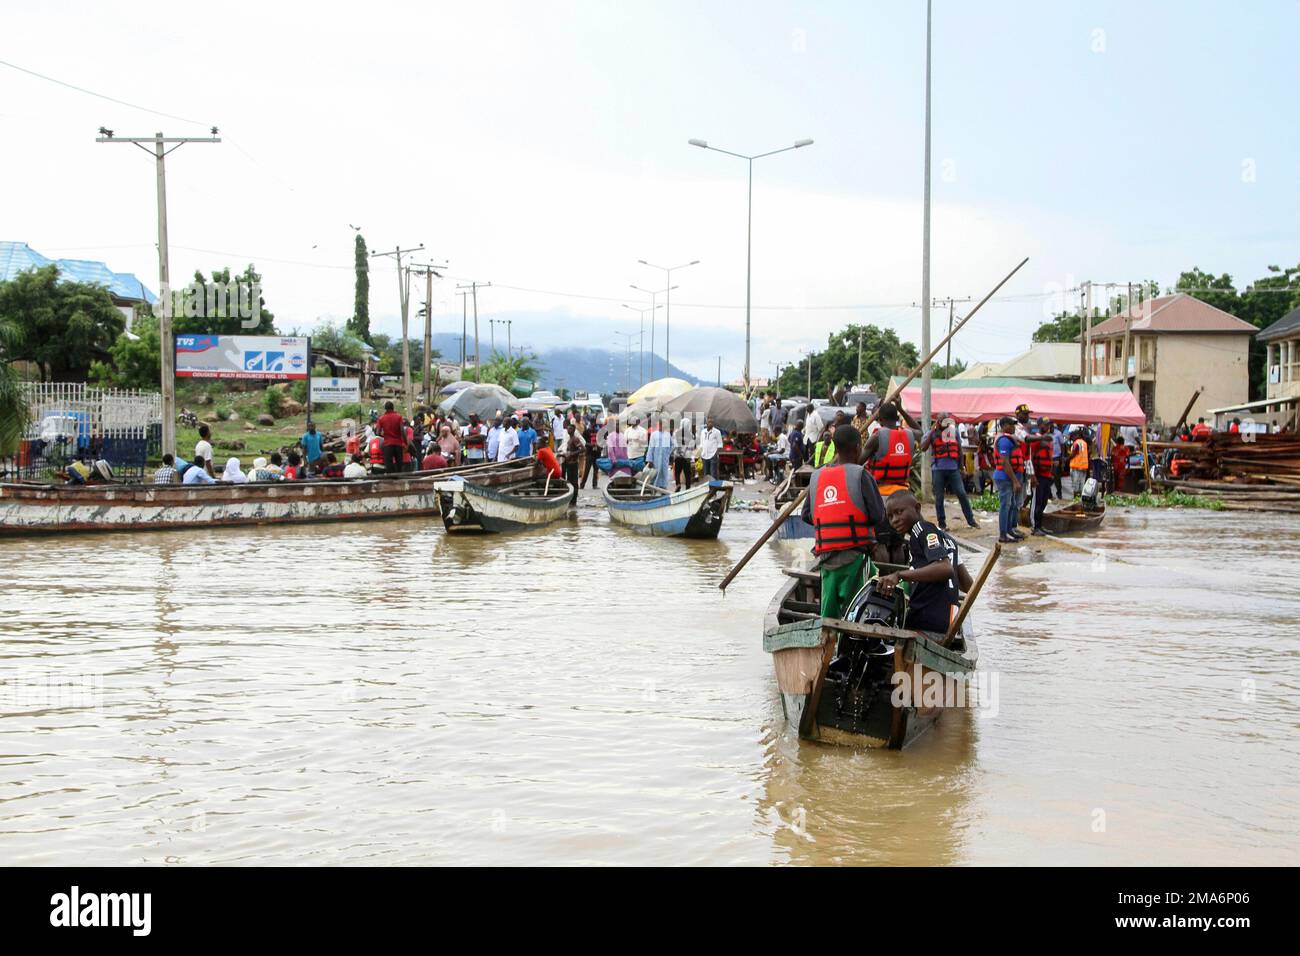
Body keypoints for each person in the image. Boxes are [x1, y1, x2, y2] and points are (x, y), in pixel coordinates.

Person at [800, 424, 887, 618]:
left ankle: (828, 642)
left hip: (826, 558)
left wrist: (830, 517)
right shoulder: (862, 475)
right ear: (858, 447)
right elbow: (878, 516)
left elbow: (806, 515)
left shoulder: (817, 476)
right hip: (855, 557)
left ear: (835, 448)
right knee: (857, 611)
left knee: (828, 614)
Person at [875, 491, 974, 635]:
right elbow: (969, 586)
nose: (894, 520)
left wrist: (899, 575)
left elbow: (945, 569)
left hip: (926, 619)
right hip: (949, 621)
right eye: (890, 516)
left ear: (917, 508)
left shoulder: (920, 529)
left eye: (899, 512)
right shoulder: (949, 540)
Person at [919, 411, 978, 530]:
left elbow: (959, 451)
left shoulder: (954, 431)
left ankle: (971, 520)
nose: (946, 423)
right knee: (939, 497)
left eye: (948, 420)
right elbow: (923, 448)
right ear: (938, 421)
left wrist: (962, 468)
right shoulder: (932, 433)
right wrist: (932, 431)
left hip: (953, 469)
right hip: (938, 469)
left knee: (961, 493)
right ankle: (942, 523)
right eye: (943, 420)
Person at [862, 401, 917, 498]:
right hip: (903, 492)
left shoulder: (876, 437)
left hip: (880, 493)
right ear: (897, 418)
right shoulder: (909, 434)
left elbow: (857, 462)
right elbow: (921, 431)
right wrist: (901, 410)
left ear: (880, 420)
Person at [993, 416, 1025, 543]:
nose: (1013, 427)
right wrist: (1015, 481)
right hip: (1004, 477)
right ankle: (1003, 534)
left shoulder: (1008, 439)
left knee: (1011, 504)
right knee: (1005, 505)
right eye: (1011, 425)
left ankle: (1009, 530)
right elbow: (1005, 462)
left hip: (1008, 477)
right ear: (1005, 425)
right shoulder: (1004, 441)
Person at [1029, 418, 1056, 536]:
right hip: (1038, 475)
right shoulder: (1036, 439)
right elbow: (1031, 457)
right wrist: (1033, 476)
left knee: (1044, 502)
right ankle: (1035, 527)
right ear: (1040, 426)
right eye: (1046, 425)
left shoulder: (1048, 440)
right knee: (1037, 502)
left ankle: (1040, 525)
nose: (1048, 426)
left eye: (1049, 424)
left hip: (1046, 475)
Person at [375, 401, 406, 475]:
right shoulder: (399, 417)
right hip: (398, 444)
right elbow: (402, 430)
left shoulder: (381, 419)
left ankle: (391, 479)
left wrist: (384, 434)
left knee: (388, 464)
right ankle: (399, 478)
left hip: (388, 444)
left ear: (385, 409)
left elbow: (377, 433)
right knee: (399, 463)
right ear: (393, 408)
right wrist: (405, 442)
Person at [560, 422, 585, 503]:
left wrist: (572, 454)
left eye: (570, 428)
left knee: (574, 483)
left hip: (573, 463)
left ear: (574, 430)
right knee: (570, 482)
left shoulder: (575, 439)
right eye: (568, 428)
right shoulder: (569, 439)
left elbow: (583, 449)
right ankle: (571, 500)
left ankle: (574, 500)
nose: (568, 429)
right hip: (568, 463)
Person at [646, 419, 673, 490]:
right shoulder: (654, 434)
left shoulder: (667, 434)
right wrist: (650, 460)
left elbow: (672, 445)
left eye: (664, 424)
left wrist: (668, 453)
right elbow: (651, 447)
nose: (663, 426)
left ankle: (663, 487)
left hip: (664, 459)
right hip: (656, 458)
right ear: (659, 425)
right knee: (656, 473)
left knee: (664, 473)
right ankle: (654, 488)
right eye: (661, 424)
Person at [672, 415, 695, 491]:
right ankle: (688, 488)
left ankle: (678, 484)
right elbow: (691, 446)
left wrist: (677, 453)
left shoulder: (676, 433)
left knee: (677, 472)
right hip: (686, 457)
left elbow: (674, 444)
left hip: (678, 456)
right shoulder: (691, 435)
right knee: (687, 473)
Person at [1068, 428, 1090, 497]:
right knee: (1082, 485)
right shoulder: (1084, 443)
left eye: (1073, 436)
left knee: (1076, 486)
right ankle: (1080, 500)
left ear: (1077, 435)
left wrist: (1066, 459)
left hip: (1076, 467)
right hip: (1084, 467)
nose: (1072, 438)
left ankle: (1075, 500)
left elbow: (1074, 453)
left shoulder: (1076, 443)